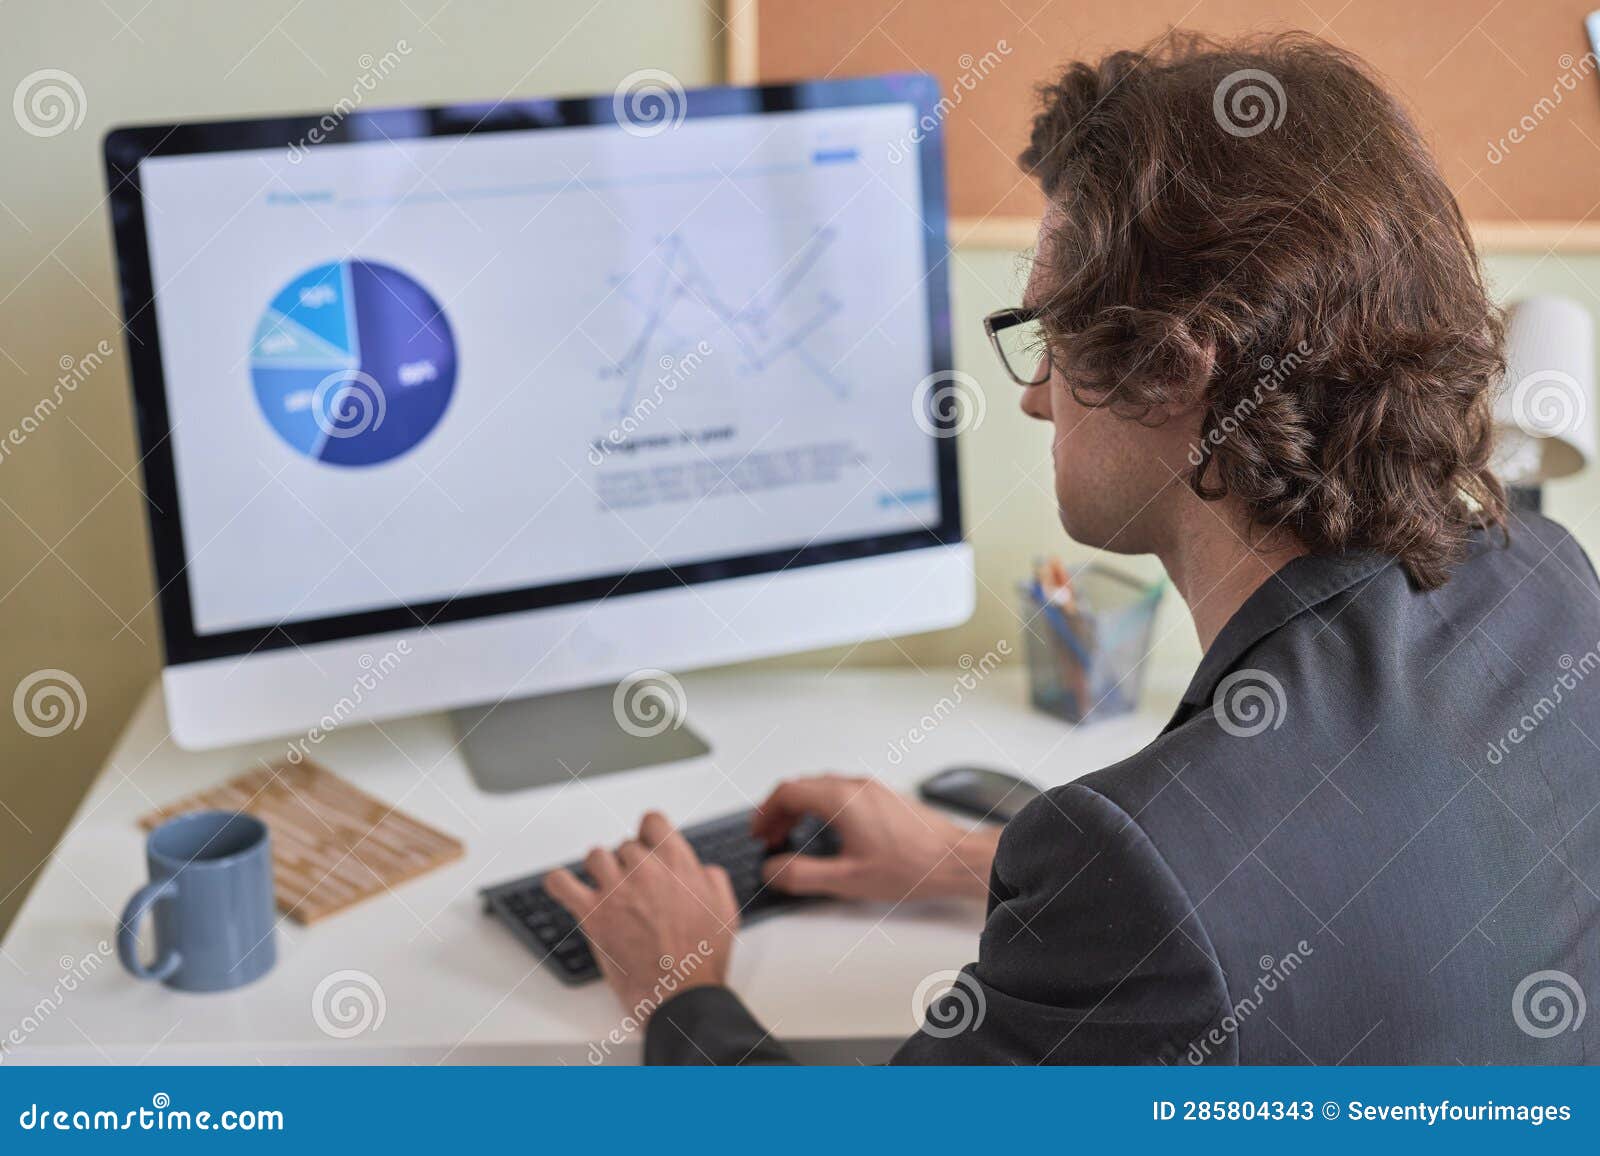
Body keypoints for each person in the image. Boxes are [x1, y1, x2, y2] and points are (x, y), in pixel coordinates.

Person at [545, 32, 1600, 1064]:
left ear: (1179, 370)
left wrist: (681, 993)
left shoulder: (1130, 861)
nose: (1035, 395)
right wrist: (973, 863)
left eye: (1051, 334)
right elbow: (1340, 898)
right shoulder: (1548, 579)